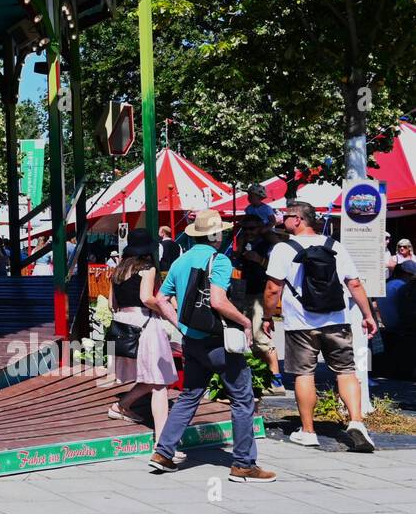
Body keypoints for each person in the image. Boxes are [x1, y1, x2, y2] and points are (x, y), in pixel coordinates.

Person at [149, 209, 275, 482]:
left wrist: (180, 324)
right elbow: (218, 301)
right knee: (242, 399)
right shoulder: (219, 261)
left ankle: (164, 451)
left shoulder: (181, 261)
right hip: (218, 342)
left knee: (189, 396)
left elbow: (160, 298)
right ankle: (243, 464)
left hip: (192, 341)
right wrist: (244, 321)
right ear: (216, 235)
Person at [263, 200, 378, 451]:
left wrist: (267, 317)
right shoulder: (335, 246)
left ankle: (308, 431)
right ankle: (356, 422)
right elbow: (354, 284)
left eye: (287, 215)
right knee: (346, 371)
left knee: (305, 374)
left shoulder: (283, 249)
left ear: (299, 219)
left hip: (300, 324)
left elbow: (273, 289)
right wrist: (368, 315)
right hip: (337, 320)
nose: (283, 219)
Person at [107, 228, 178, 448]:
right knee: (159, 383)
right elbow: (146, 298)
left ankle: (121, 406)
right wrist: (165, 308)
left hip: (124, 323)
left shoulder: (117, 271)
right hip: (146, 326)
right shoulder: (148, 269)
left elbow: (112, 305)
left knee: (152, 378)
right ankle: (163, 443)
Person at [229, 213, 286, 395]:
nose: (248, 232)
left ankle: (276, 380)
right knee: (248, 339)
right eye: (244, 228)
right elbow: (236, 263)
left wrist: (259, 260)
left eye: (252, 228)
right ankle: (259, 377)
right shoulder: (244, 244)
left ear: (260, 228)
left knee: (262, 337)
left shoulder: (269, 245)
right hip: (244, 293)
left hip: (261, 294)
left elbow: (280, 269)